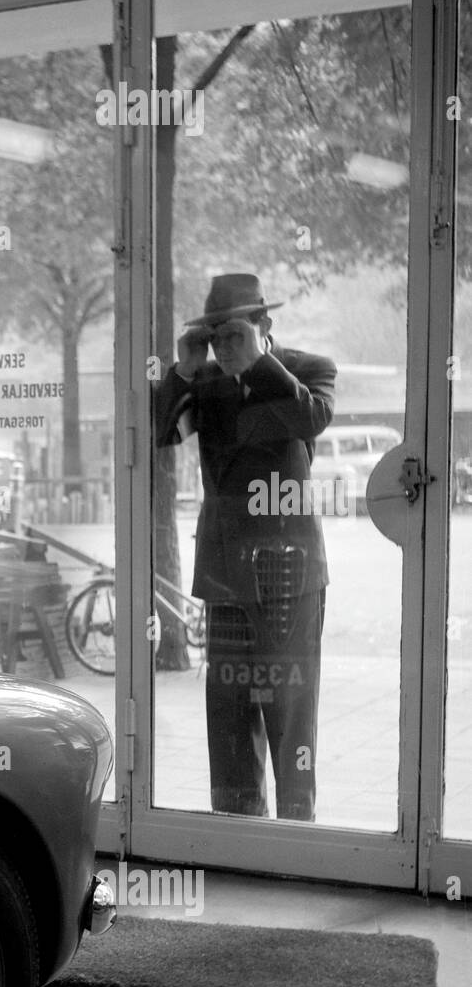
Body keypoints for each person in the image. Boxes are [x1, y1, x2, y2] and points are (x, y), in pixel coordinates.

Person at [154, 273, 336, 821]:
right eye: (216, 335)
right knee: (229, 705)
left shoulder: (307, 369)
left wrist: (257, 364)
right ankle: (238, 826)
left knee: (291, 704)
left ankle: (296, 829)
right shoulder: (203, 382)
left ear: (265, 327)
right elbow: (160, 433)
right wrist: (182, 370)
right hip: (227, 567)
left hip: (291, 569)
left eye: (234, 333)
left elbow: (313, 417)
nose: (225, 346)